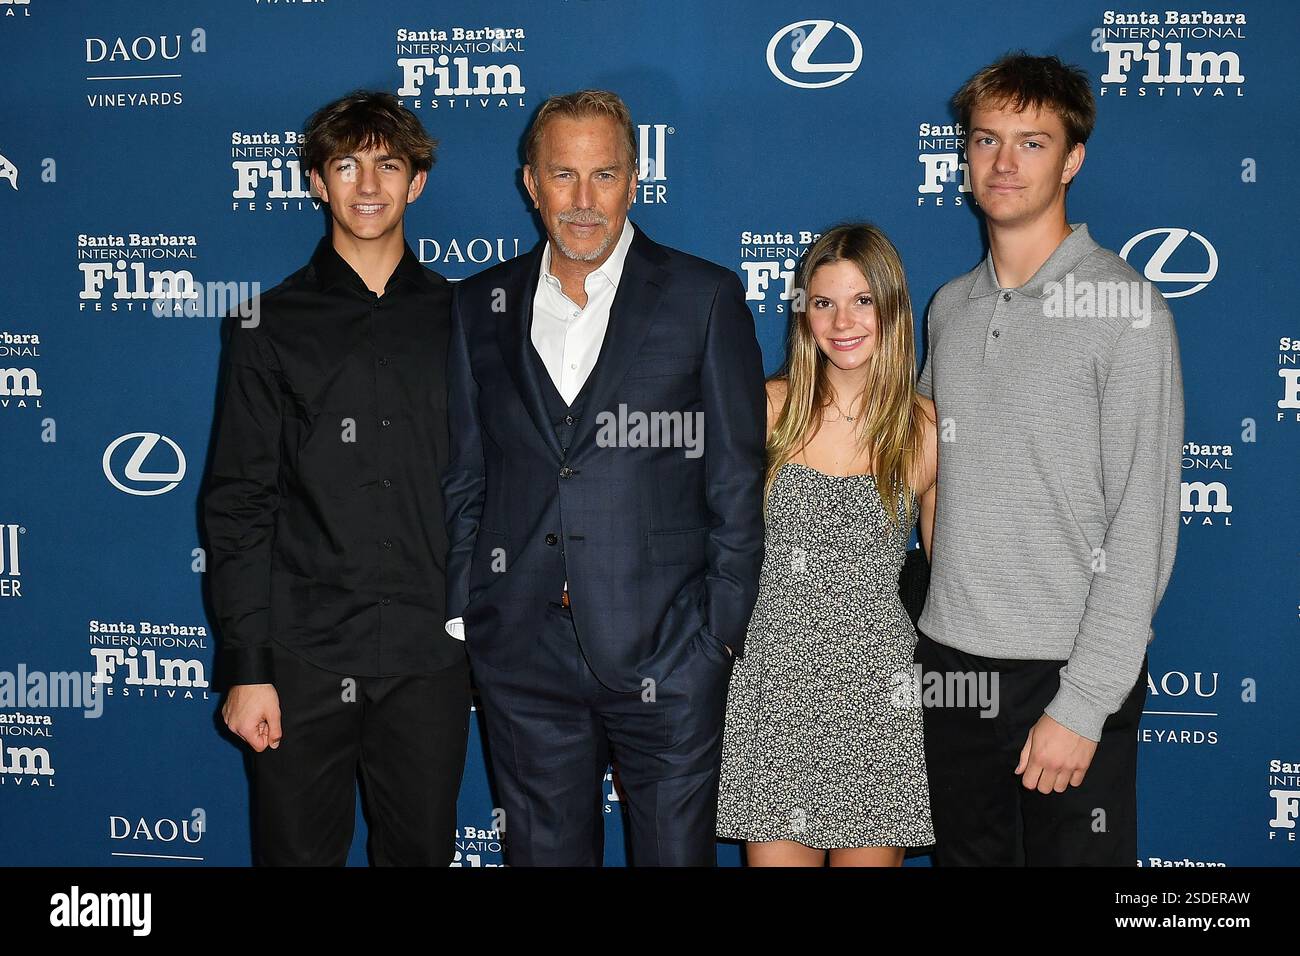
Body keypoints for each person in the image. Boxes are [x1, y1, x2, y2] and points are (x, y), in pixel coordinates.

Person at [442, 89, 766, 866]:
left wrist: (718, 634)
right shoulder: (477, 304)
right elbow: (464, 470)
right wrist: (470, 610)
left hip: (669, 652)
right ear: (531, 182)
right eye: (563, 175)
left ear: (634, 179)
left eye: (604, 175)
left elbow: (736, 477)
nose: (584, 201)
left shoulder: (703, 296)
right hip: (521, 651)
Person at [914, 53, 1184, 865]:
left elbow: (1142, 527)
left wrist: (1085, 701)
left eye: (1031, 143)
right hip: (951, 669)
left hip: (1064, 674)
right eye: (986, 139)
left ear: (1072, 159)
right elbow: (923, 473)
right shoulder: (949, 308)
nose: (1003, 162)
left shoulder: (1126, 309)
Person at [205, 90, 469, 866]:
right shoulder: (265, 324)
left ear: (416, 182)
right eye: (346, 165)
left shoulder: (468, 321)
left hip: (430, 657)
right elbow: (239, 504)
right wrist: (248, 670)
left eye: (388, 164)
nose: (367, 185)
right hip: (302, 658)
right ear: (316, 181)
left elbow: (489, 489)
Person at [717, 223, 938, 866]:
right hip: (771, 688)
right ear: (802, 312)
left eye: (863, 300)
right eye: (824, 301)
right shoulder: (762, 408)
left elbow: (952, 576)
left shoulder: (926, 427)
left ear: (893, 308)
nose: (843, 321)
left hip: (879, 695)